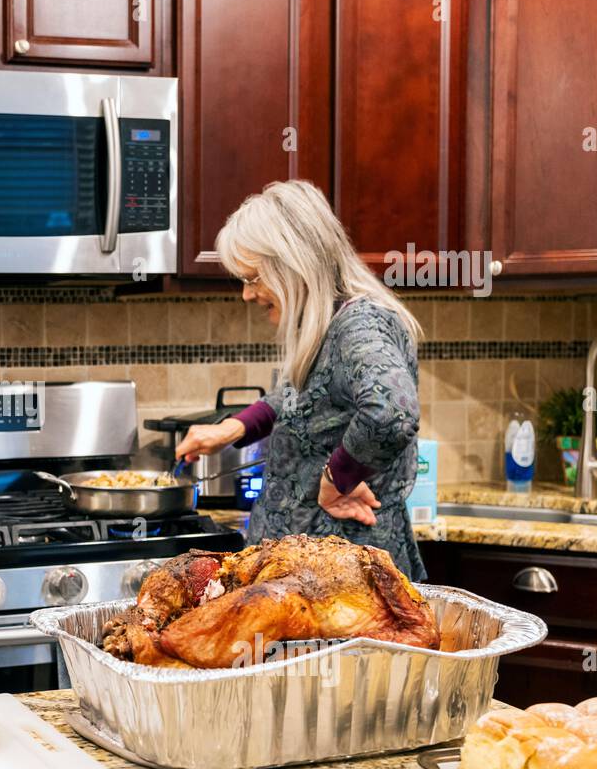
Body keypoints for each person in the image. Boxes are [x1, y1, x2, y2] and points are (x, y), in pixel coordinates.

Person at [175, 180, 426, 580]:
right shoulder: (331, 324)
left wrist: (336, 479)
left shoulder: (361, 326)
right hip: (309, 574)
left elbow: (392, 412)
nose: (247, 294)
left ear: (295, 264)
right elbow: (303, 396)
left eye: (254, 278)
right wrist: (231, 429)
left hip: (343, 577)